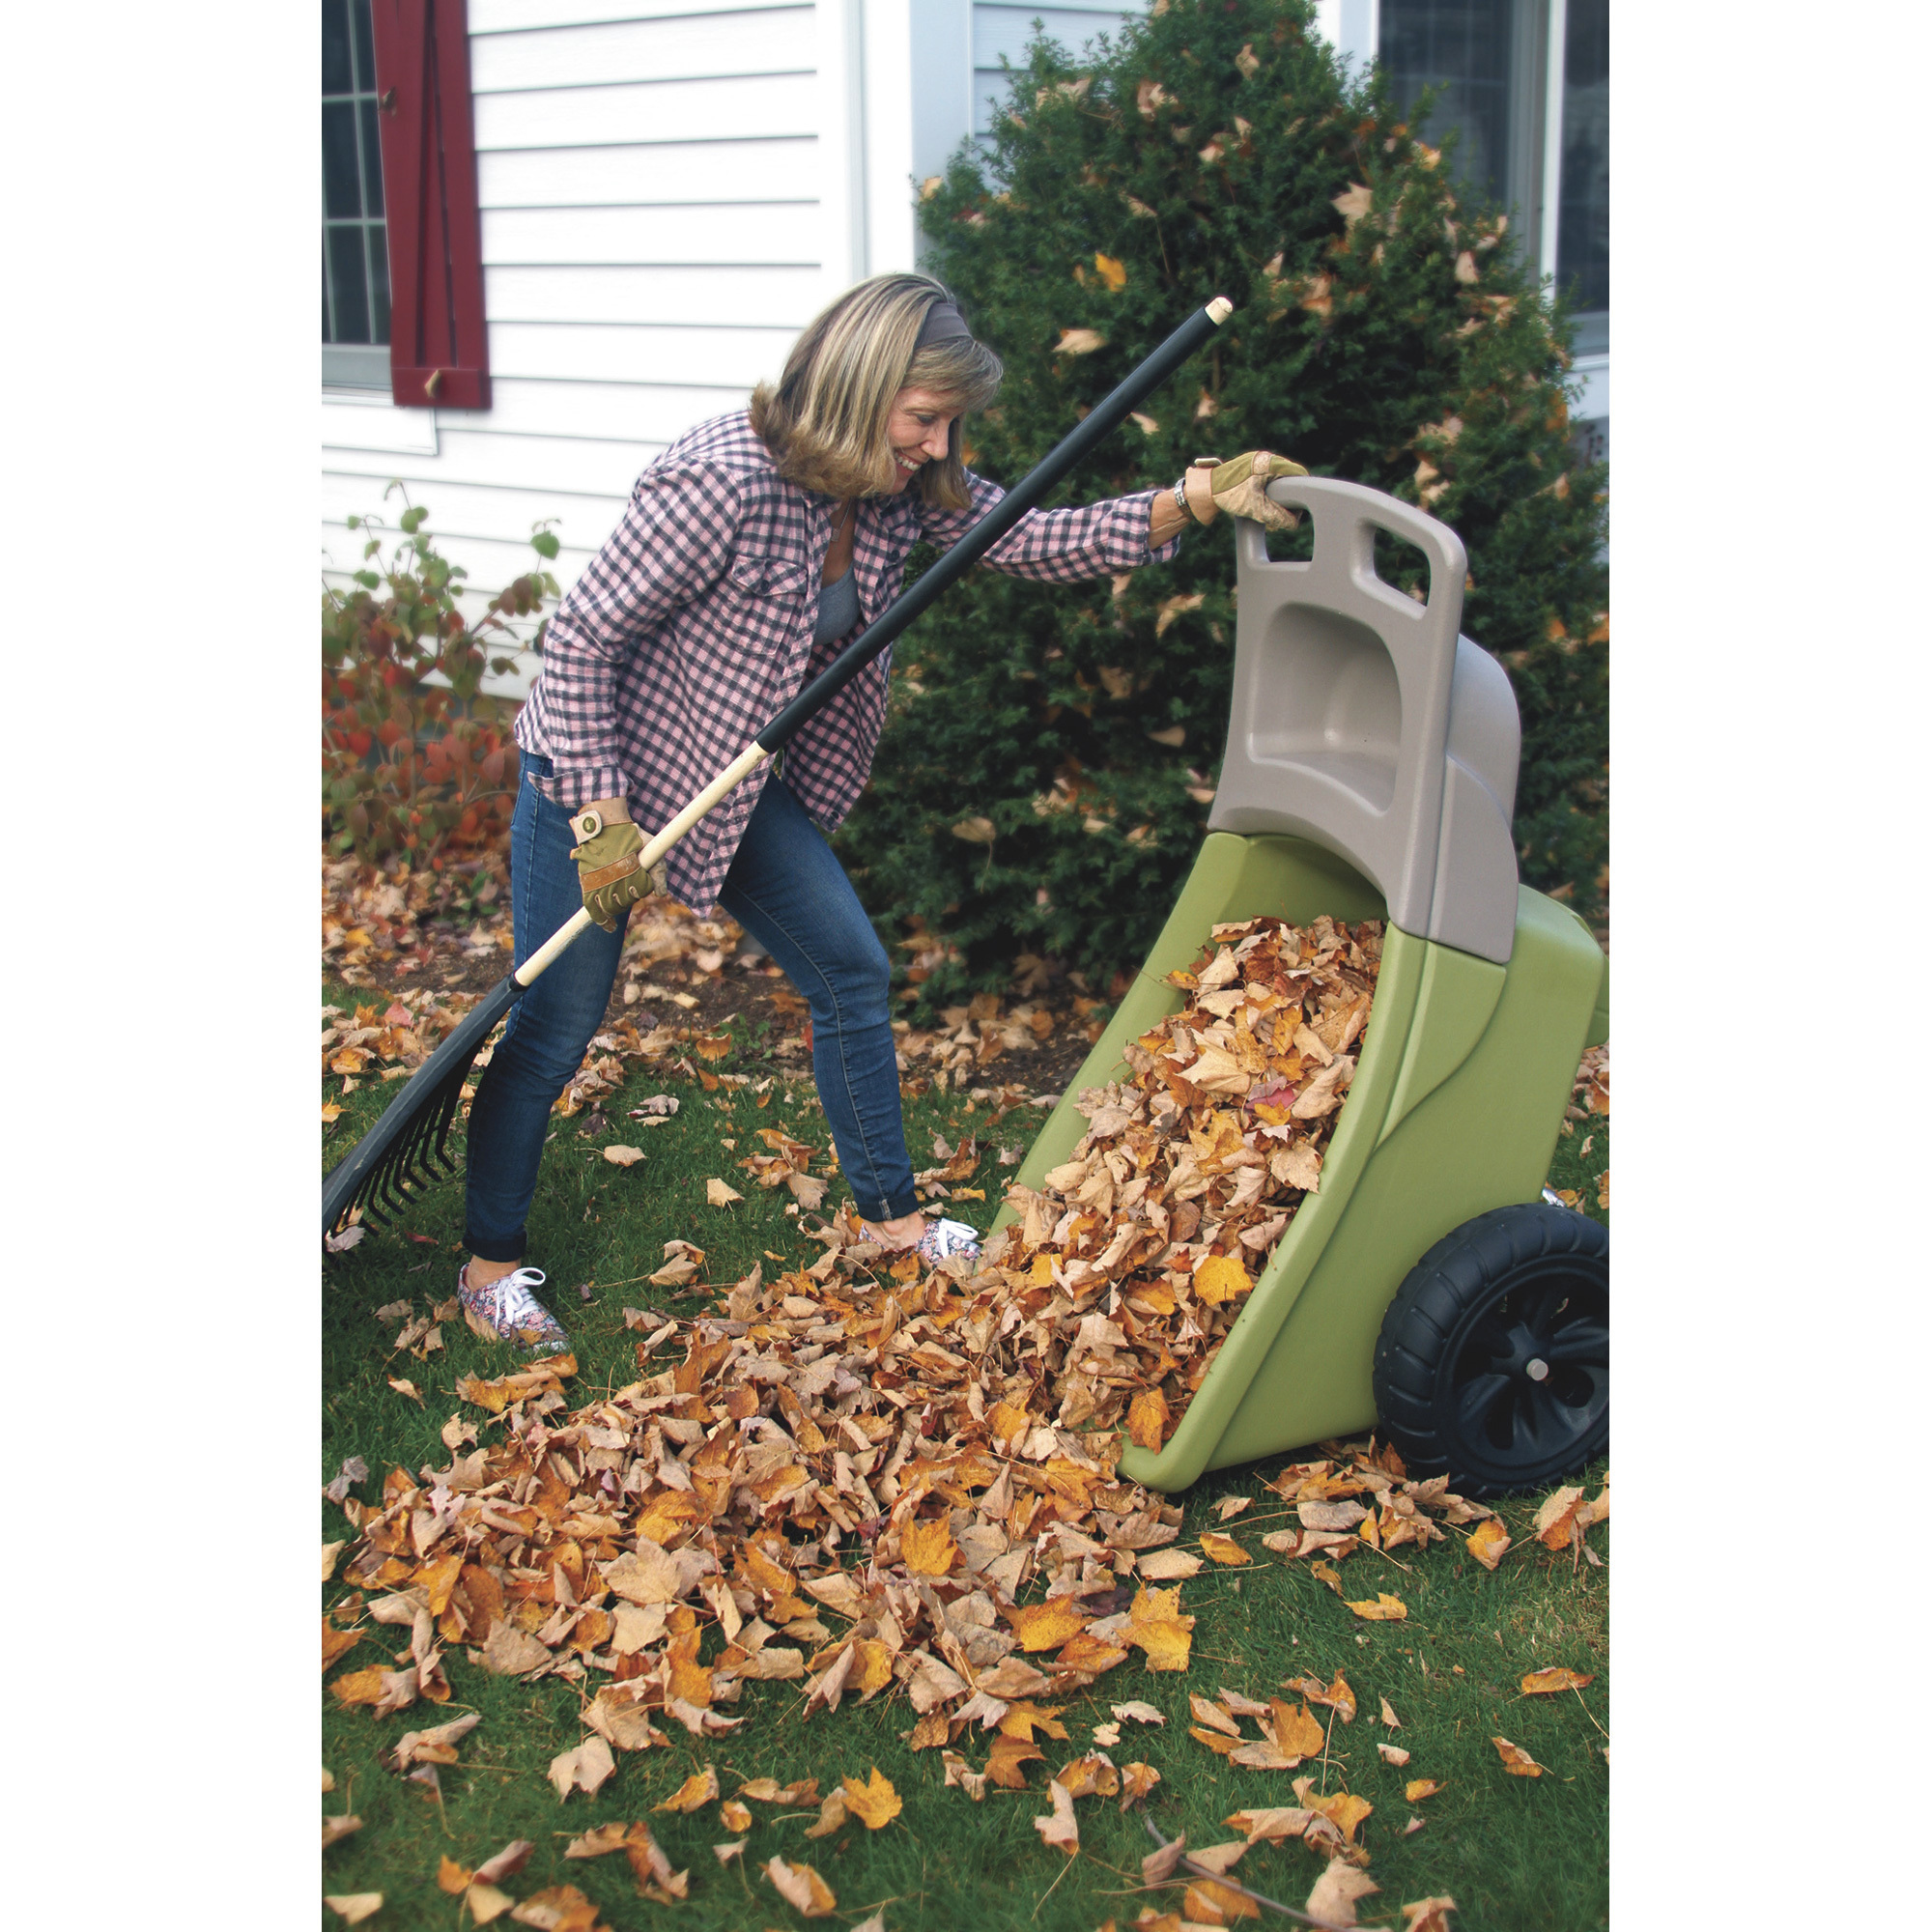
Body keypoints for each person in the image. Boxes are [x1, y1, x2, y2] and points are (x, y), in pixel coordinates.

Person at [454, 271, 1305, 1352]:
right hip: (600, 776)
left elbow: (1029, 533)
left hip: (724, 783)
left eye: (950, 423)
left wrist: (1190, 499)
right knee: (554, 1028)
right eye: (924, 417)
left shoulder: (902, 485)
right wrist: (600, 817)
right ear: (860, 388)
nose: (940, 443)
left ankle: (890, 1224)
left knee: (849, 969)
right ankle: (488, 1269)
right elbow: (581, 640)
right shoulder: (721, 481)